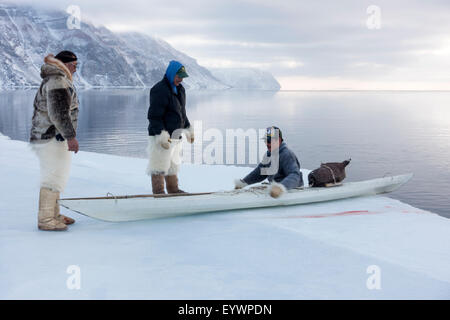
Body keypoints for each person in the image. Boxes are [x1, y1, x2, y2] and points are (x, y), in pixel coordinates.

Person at [30, 51, 80, 231]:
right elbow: (58, 115)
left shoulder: (59, 79)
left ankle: (54, 213)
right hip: (50, 136)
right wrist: (71, 137)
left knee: (57, 175)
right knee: (52, 176)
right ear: (65, 64)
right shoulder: (57, 81)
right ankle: (45, 219)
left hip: (51, 136)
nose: (76, 68)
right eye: (74, 65)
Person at [146, 61, 194, 194]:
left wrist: (189, 128)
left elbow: (181, 113)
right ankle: (159, 192)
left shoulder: (180, 90)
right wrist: (161, 136)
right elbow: (153, 116)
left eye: (183, 77)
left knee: (173, 164)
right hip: (159, 135)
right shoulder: (159, 90)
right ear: (172, 73)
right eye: (179, 76)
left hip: (175, 136)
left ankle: (173, 190)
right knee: (159, 165)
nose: (181, 79)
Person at [234, 126, 303, 198]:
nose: (267, 144)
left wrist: (280, 188)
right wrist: (244, 182)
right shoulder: (269, 154)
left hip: (292, 189)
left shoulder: (287, 154)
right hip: (274, 189)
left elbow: (295, 175)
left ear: (278, 140)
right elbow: (260, 172)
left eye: (269, 141)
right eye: (266, 141)